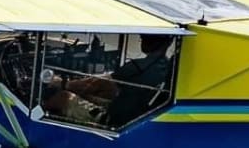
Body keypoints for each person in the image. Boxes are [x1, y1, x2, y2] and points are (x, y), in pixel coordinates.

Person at [42, 34, 173, 126]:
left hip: (117, 120)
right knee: (90, 96)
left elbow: (94, 85)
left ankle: (38, 118)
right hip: (136, 112)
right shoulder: (164, 66)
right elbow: (106, 88)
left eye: (144, 37)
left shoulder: (139, 67)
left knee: (63, 97)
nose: (141, 39)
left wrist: (60, 82)